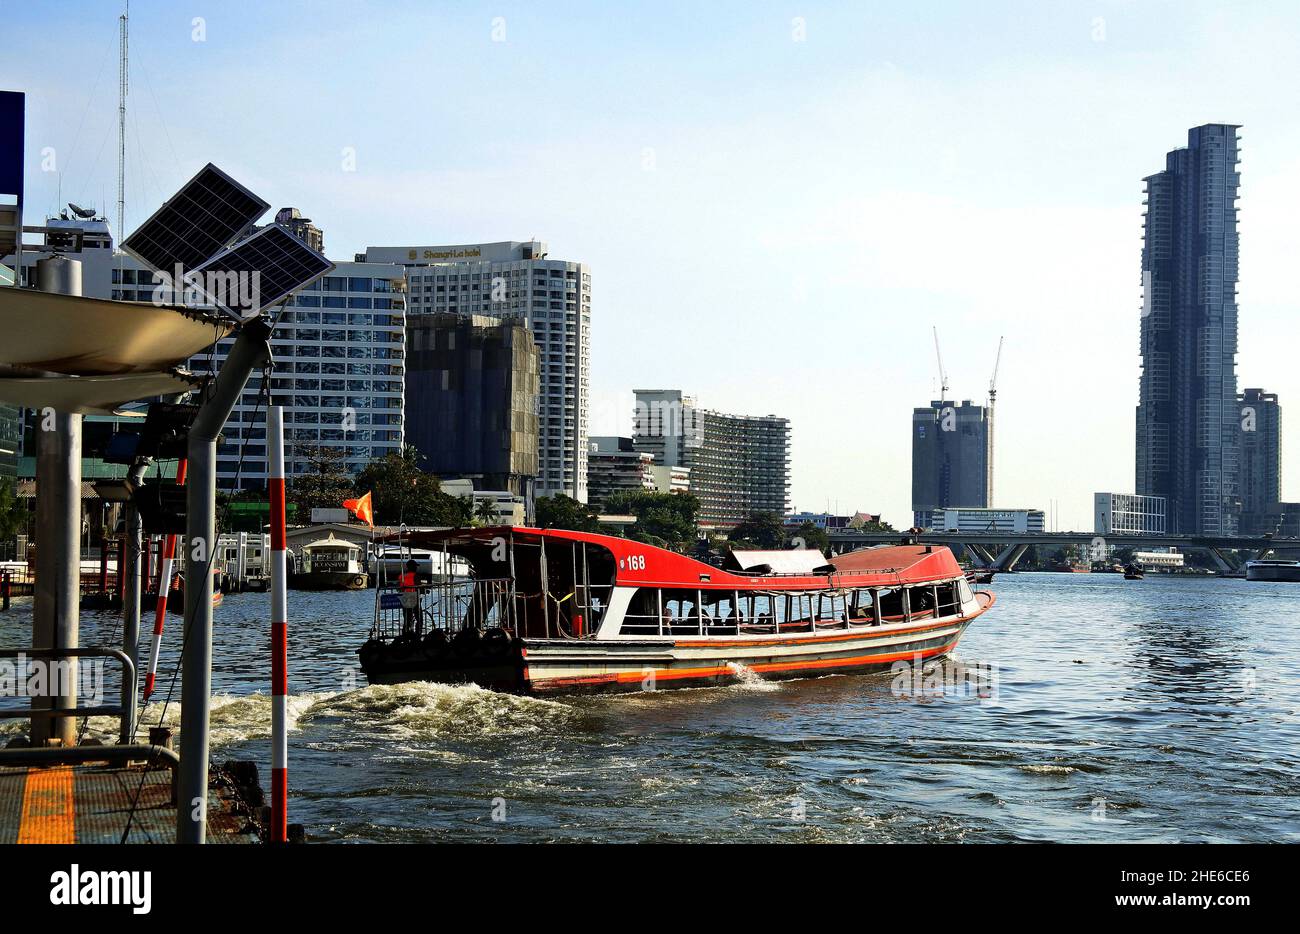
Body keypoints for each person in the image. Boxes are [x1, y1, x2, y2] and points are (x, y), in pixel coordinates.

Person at [400, 558, 421, 634]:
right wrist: (425, 590)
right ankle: (418, 633)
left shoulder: (402, 576)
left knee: (407, 618)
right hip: (414, 598)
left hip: (405, 598)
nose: (416, 568)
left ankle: (405, 634)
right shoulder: (416, 576)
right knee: (419, 618)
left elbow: (399, 588)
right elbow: (419, 587)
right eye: (415, 566)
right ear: (412, 567)